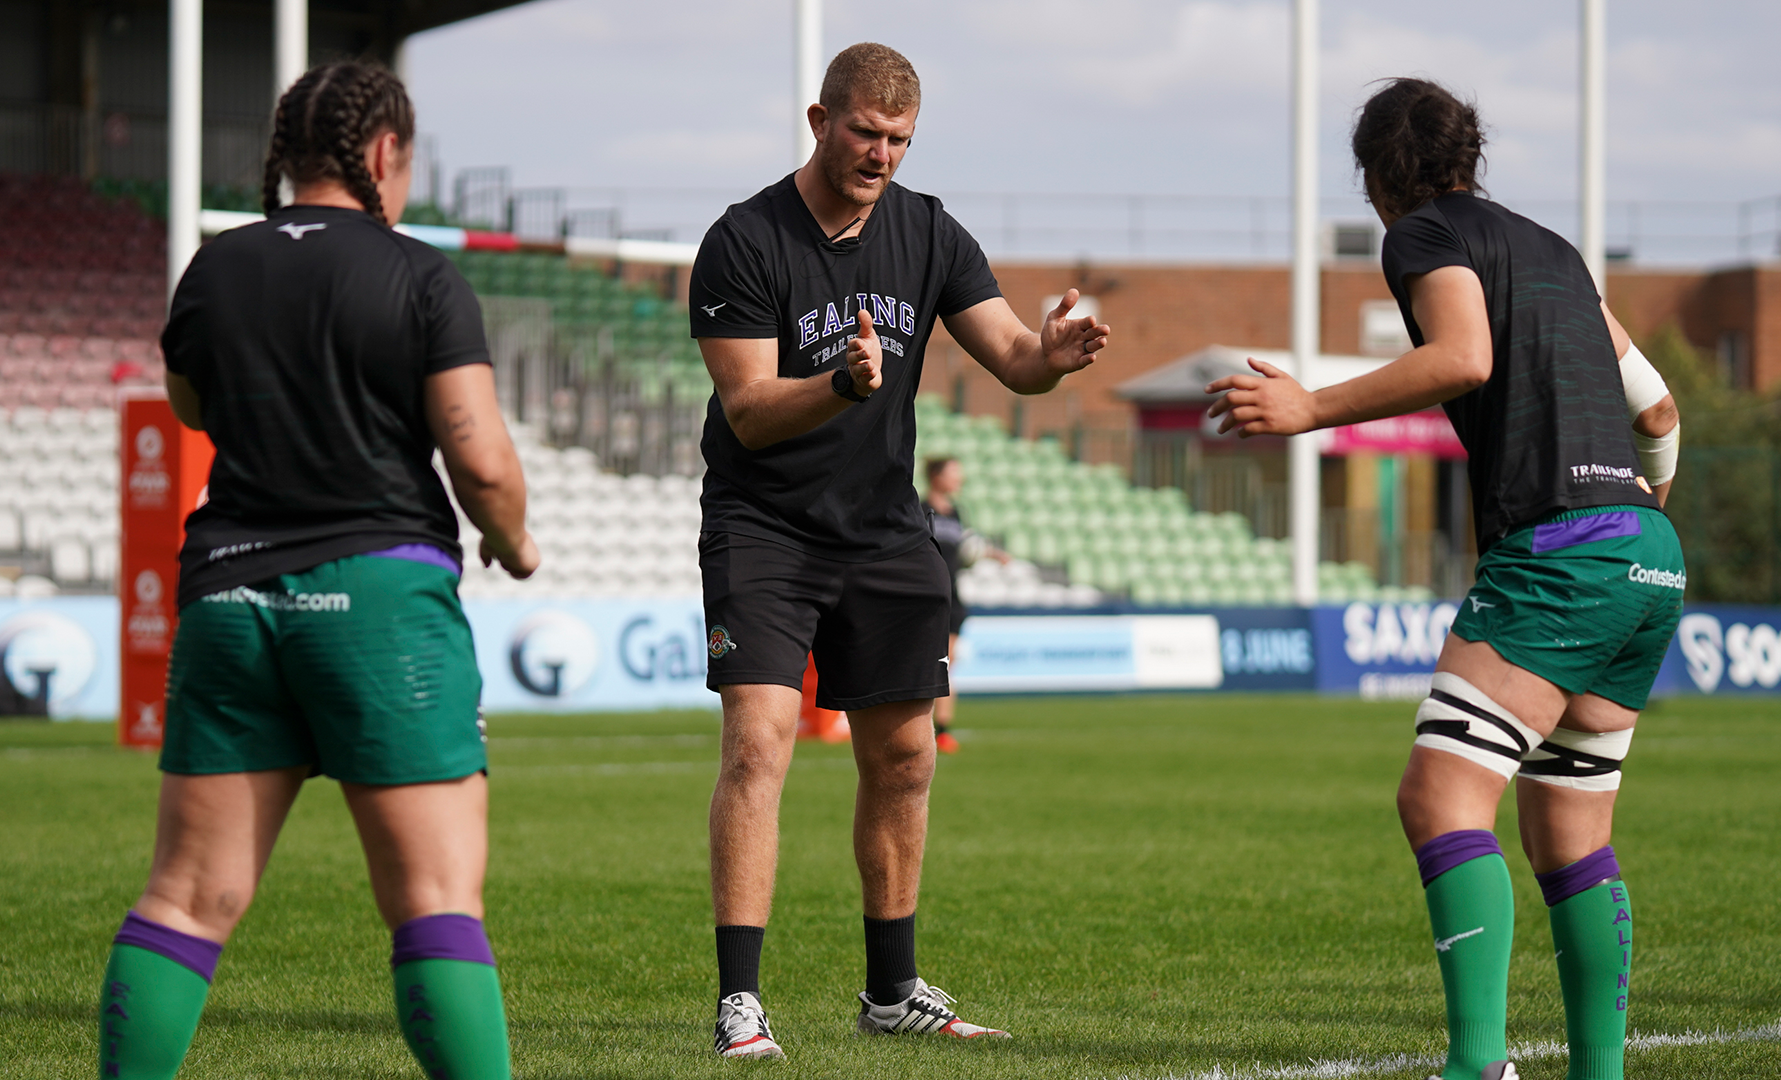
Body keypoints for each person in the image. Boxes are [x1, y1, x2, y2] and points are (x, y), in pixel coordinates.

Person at [1205, 78, 1681, 1080]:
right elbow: (1660, 411)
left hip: (1561, 548)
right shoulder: (1558, 253)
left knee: (1441, 798)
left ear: (1379, 178)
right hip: (1644, 554)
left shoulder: (1423, 234)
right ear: (1470, 154)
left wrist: (1309, 408)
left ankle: (1479, 1067)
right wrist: (1646, 511)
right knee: (1570, 834)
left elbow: (1464, 357)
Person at [95, 62, 538, 1080]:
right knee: (434, 900)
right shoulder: (419, 273)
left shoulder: (213, 268)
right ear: (385, 152)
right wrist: (514, 544)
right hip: (378, 599)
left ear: (284, 158)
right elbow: (479, 462)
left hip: (228, 594)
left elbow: (193, 407)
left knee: (184, 899)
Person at [690, 42, 1109, 1059]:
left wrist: (1051, 359)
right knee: (758, 746)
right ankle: (740, 1001)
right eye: (866, 133)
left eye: (900, 140)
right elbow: (747, 410)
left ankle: (891, 993)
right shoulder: (744, 240)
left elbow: (1012, 357)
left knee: (908, 757)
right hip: (764, 528)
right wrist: (840, 383)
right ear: (819, 121)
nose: (881, 155)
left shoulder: (928, 231)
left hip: (884, 528)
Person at [921, 456, 1009, 753]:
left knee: (946, 663)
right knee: (924, 663)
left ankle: (943, 730)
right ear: (936, 476)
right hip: (924, 595)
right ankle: (919, 727)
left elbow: (965, 550)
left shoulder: (957, 512)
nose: (959, 479)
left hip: (952, 596)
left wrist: (993, 554)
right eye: (953, 473)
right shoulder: (920, 508)